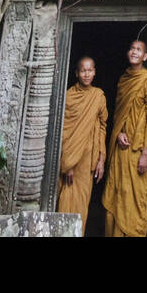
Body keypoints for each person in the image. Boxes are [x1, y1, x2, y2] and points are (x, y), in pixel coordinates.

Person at [102, 37, 147, 237]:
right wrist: (118, 133)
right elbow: (118, 114)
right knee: (115, 194)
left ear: (145, 56)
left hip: (138, 150)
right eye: (131, 48)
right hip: (121, 148)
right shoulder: (124, 79)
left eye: (139, 49)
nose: (134, 52)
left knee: (133, 197)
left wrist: (146, 152)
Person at [57, 56, 107, 236]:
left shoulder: (98, 96)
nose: (87, 74)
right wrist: (68, 162)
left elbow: (102, 127)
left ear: (94, 72)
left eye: (90, 70)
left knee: (82, 206)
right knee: (65, 201)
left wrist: (101, 160)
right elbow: (63, 130)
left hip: (87, 160)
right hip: (69, 161)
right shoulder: (68, 97)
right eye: (83, 71)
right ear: (76, 73)